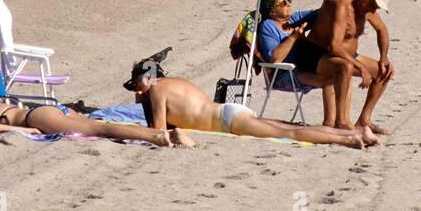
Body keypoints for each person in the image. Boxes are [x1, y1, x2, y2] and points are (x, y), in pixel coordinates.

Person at [129, 63, 366, 148]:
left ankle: (349, 139)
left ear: (149, 77)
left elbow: (157, 130)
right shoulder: (174, 83)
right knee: (288, 127)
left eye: (138, 84)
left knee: (292, 132)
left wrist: (142, 99)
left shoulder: (159, 90)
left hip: (226, 120)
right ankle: (353, 133)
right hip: (228, 112)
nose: (137, 90)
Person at [302, 0, 395, 144]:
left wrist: (384, 58)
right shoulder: (342, 6)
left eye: (377, 7)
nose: (374, 10)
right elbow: (334, 46)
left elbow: (382, 29)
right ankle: (341, 121)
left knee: (384, 71)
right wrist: (360, 67)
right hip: (317, 53)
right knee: (346, 66)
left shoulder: (366, 8)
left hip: (347, 55)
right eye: (373, 5)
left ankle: (364, 120)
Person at [254, 0, 353, 127]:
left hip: (304, 66)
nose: (288, 4)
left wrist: (327, 2)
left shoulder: (295, 19)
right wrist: (293, 37)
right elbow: (274, 58)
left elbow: (321, 14)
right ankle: (329, 124)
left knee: (343, 73)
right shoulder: (268, 26)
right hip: (284, 73)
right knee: (329, 80)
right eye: (283, 3)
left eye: (289, 0)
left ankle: (343, 121)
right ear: (272, 11)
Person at [0, 95, 194, 148]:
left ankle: (161, 136)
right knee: (101, 129)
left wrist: (26, 130)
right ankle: (161, 135)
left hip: (35, 116)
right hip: (46, 109)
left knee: (100, 128)